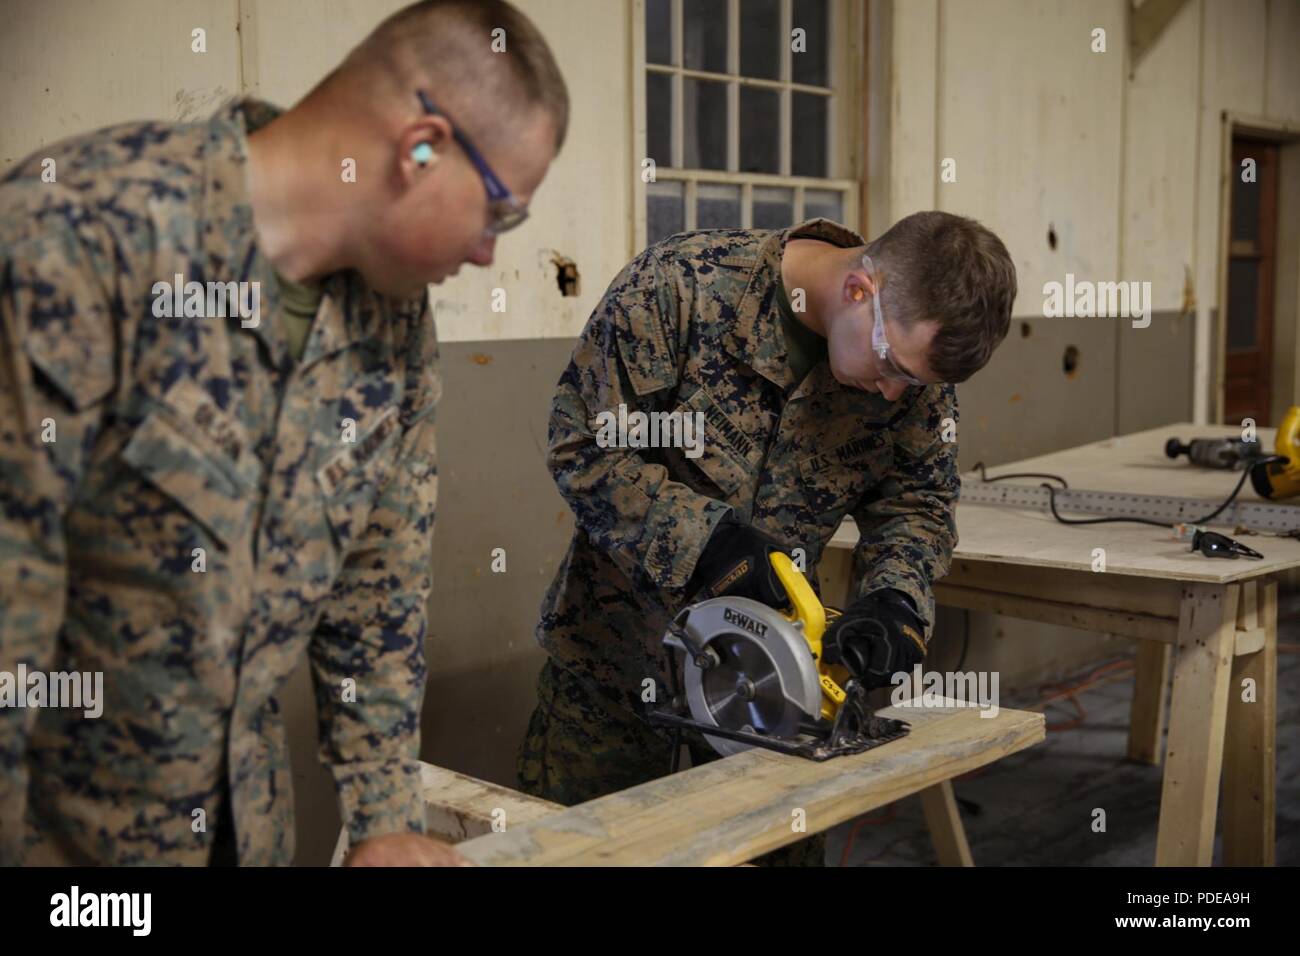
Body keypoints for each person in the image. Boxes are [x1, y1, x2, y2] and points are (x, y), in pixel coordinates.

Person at [0, 0, 567, 867]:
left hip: (249, 830)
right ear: (421, 147)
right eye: (499, 213)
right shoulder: (80, 236)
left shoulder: (393, 324)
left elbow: (377, 590)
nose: (491, 253)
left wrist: (383, 818)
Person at [519, 212, 1017, 865]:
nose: (897, 391)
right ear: (861, 289)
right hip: (612, 659)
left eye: (918, 384)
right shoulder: (681, 287)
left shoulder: (909, 369)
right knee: (574, 856)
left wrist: (896, 601)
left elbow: (916, 500)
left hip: (771, 694)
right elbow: (583, 447)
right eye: (894, 364)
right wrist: (710, 543)